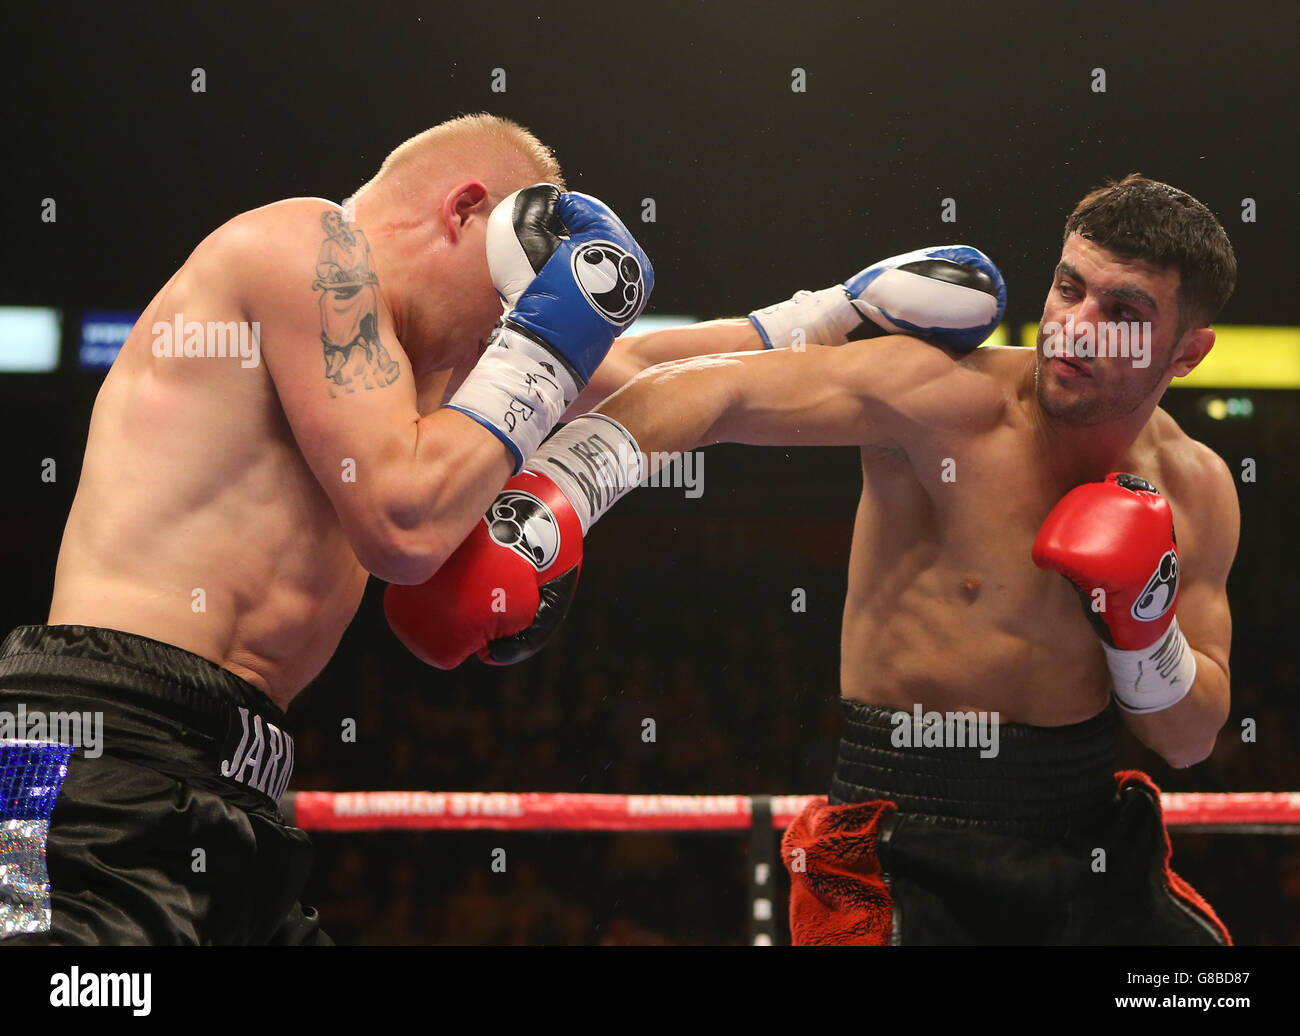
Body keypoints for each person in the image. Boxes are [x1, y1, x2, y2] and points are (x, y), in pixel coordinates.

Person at [408, 174, 1238, 945]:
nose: (1076, 326)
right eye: (1069, 287)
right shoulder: (942, 400)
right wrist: (555, 499)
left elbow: (1188, 738)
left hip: (1087, 841)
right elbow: (716, 392)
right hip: (900, 839)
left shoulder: (1196, 488)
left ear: (1186, 353)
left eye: (1122, 309)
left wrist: (1147, 633)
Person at [0, 113, 658, 944]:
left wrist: (825, 319)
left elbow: (652, 375)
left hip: (242, 779)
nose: (506, 328)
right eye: (510, 294)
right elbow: (405, 525)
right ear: (466, 212)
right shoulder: (312, 246)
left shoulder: (413, 386)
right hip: (93, 756)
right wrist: (544, 343)